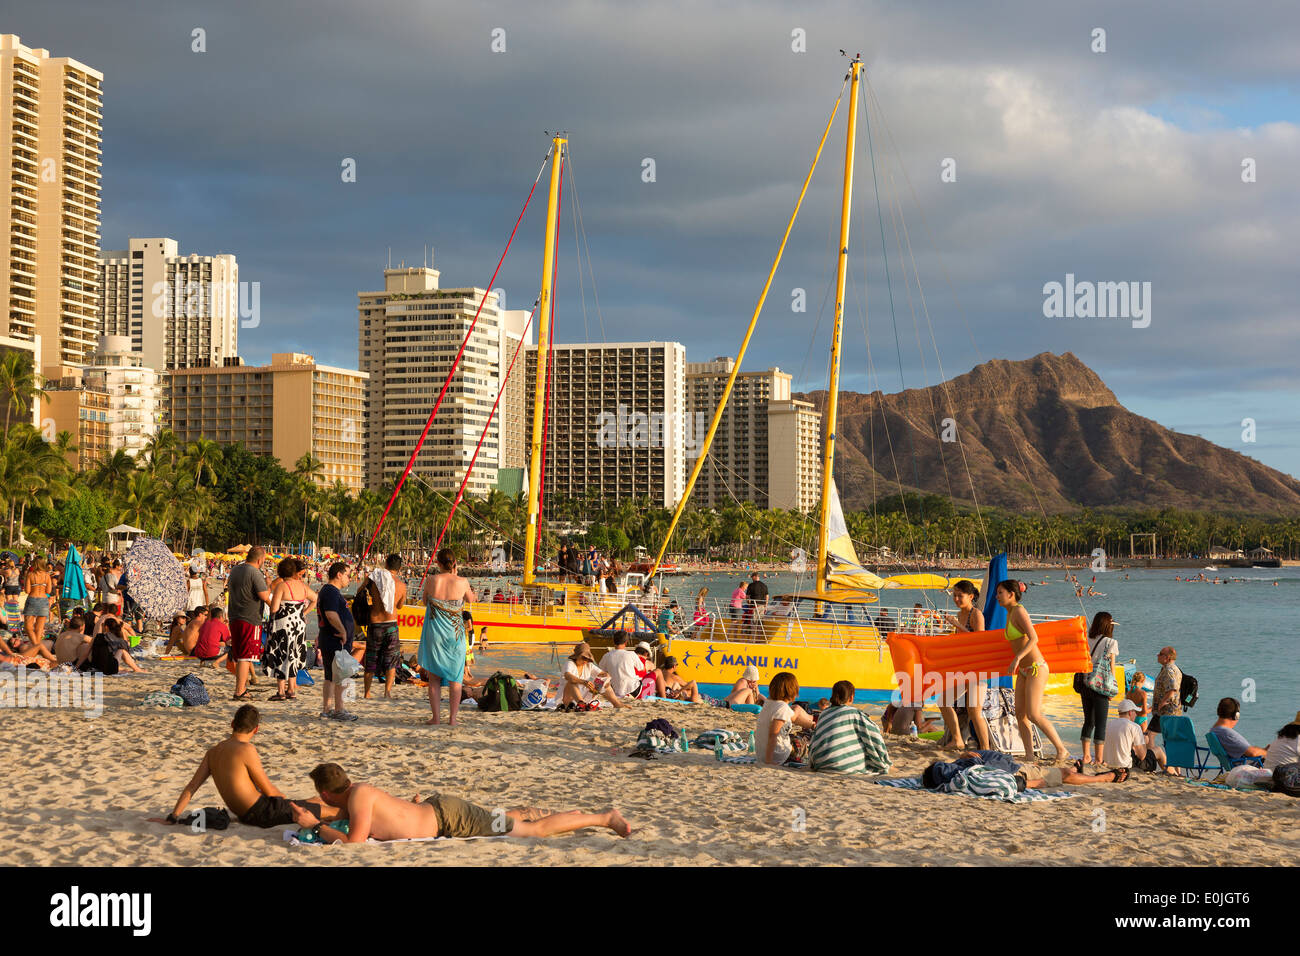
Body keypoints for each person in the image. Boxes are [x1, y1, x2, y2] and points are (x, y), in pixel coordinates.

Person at [289, 763, 631, 842]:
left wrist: (314, 827)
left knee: (532, 831)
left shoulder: (360, 796)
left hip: (451, 819)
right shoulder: (356, 794)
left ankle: (604, 818)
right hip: (444, 813)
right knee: (502, 819)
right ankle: (572, 815)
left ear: (327, 793)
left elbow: (354, 844)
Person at [163, 705, 341, 829]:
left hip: (245, 814)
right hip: (262, 813)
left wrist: (173, 816)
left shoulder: (213, 752)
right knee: (333, 812)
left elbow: (191, 787)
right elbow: (269, 790)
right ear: (256, 729)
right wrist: (289, 804)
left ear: (233, 724)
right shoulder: (246, 749)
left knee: (315, 800)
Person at [996, 579, 1069, 763]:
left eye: (1000, 593)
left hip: (1036, 667)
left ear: (1011, 594)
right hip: (1023, 670)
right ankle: (1029, 755)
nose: (997, 596)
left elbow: (1034, 638)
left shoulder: (1019, 611)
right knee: (1019, 714)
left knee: (1034, 714)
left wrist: (1017, 658)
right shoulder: (1009, 612)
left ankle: (1062, 749)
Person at [419, 548, 477, 725]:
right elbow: (471, 599)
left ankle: (436, 718)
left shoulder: (431, 580)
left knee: (434, 678)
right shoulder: (463, 581)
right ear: (454, 564)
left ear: (438, 563)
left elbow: (424, 601)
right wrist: (457, 575)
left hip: (435, 634)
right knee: (456, 678)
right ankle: (452, 719)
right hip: (455, 635)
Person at [922, 748, 1128, 790]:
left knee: (1058, 770)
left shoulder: (958, 766)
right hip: (1016, 771)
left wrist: (962, 755)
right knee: (1063, 775)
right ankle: (1105, 778)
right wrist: (1030, 784)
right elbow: (1000, 785)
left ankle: (1075, 768)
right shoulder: (969, 776)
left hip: (1014, 765)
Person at [939, 580, 989, 751]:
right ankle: (957, 739)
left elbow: (981, 642)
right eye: (954, 595)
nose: (956, 599)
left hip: (977, 668)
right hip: (962, 667)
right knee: (944, 700)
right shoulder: (960, 614)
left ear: (971, 596)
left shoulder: (976, 614)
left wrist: (957, 626)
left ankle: (985, 748)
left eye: (960, 596)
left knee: (974, 711)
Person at [809, 681, 892, 774]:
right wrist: (884, 761)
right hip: (843, 766)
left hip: (820, 763)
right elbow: (873, 733)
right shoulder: (853, 712)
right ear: (851, 697)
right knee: (864, 735)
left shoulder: (823, 713)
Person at [264, 557, 316, 702]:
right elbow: (315, 599)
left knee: (281, 654)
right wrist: (303, 613)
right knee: (294, 654)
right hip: (298, 624)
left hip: (283, 624)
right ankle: (291, 690)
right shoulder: (302, 586)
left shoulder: (282, 586)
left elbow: (274, 608)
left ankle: (281, 691)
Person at [226, 547, 272, 701]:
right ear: (260, 560)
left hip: (234, 616)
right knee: (246, 656)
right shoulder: (255, 573)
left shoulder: (235, 570)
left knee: (240, 656)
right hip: (250, 618)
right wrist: (269, 585)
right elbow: (264, 596)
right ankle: (240, 691)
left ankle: (240, 688)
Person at [316, 562, 358, 721]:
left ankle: (327, 710)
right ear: (339, 575)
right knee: (341, 676)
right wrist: (342, 631)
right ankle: (339, 709)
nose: (349, 578)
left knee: (330, 676)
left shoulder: (327, 591)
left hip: (329, 638)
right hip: (335, 640)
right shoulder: (331, 592)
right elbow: (331, 614)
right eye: (348, 574)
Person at [364, 553, 407, 700]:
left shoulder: (374, 579)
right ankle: (387, 692)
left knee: (371, 659)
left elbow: (360, 592)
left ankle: (367, 692)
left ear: (386, 564)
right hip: (391, 624)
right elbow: (400, 606)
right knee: (391, 661)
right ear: (399, 568)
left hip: (375, 623)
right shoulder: (401, 585)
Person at [1079, 611, 1118, 767]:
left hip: (1084, 683)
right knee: (1101, 723)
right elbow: (1111, 667)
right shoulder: (1111, 642)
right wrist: (1112, 688)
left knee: (1088, 721)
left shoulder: (1086, 639)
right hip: (1100, 685)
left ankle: (1086, 756)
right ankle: (1099, 759)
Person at [1099, 699, 1172, 776]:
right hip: (1126, 765)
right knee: (1159, 750)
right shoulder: (1134, 726)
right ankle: (1172, 774)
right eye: (1135, 712)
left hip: (1109, 763)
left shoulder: (1110, 724)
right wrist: (1144, 742)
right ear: (1130, 712)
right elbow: (1142, 756)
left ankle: (1172, 773)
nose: (1136, 715)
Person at [756, 671, 815, 765]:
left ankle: (811, 728)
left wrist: (811, 725)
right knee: (803, 742)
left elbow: (794, 717)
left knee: (794, 736)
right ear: (793, 691)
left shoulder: (769, 703)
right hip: (777, 756)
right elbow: (773, 735)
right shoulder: (782, 708)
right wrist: (768, 761)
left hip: (761, 753)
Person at [559, 641, 626, 709]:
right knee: (572, 682)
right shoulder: (570, 663)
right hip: (567, 699)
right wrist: (583, 682)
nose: (585, 661)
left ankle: (616, 703)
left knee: (603, 682)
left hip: (585, 698)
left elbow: (603, 673)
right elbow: (568, 676)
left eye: (587, 659)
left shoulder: (588, 665)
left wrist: (601, 682)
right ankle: (581, 704)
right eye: (584, 658)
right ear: (577, 656)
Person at [20, 556, 54, 658]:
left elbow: (27, 591)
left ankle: (36, 647)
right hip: (43, 600)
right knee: (39, 628)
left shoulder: (30, 574)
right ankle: (37, 647)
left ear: (35, 564)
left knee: (28, 627)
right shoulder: (47, 576)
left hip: (32, 599)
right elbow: (48, 591)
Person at [597, 633, 643, 699]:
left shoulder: (606, 656)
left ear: (614, 641)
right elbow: (641, 668)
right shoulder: (631, 654)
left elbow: (600, 671)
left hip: (616, 691)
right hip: (634, 690)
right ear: (626, 642)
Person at [1150, 646, 1183, 737]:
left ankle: (1154, 751)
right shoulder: (1174, 669)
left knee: (1149, 735)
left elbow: (1172, 689)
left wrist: (1161, 703)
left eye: (1160, 654)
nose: (1158, 655)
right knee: (1168, 738)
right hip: (1171, 712)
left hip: (1166, 712)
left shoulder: (1169, 670)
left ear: (1167, 657)